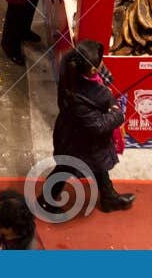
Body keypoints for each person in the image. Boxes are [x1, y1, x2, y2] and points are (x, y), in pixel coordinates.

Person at [50, 41, 136, 214]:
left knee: (98, 165)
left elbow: (106, 79)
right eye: (99, 64)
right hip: (75, 139)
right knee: (65, 167)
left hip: (83, 136)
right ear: (91, 72)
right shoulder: (83, 96)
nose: (103, 64)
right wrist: (117, 114)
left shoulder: (70, 63)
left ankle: (109, 198)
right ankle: (46, 201)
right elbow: (98, 125)